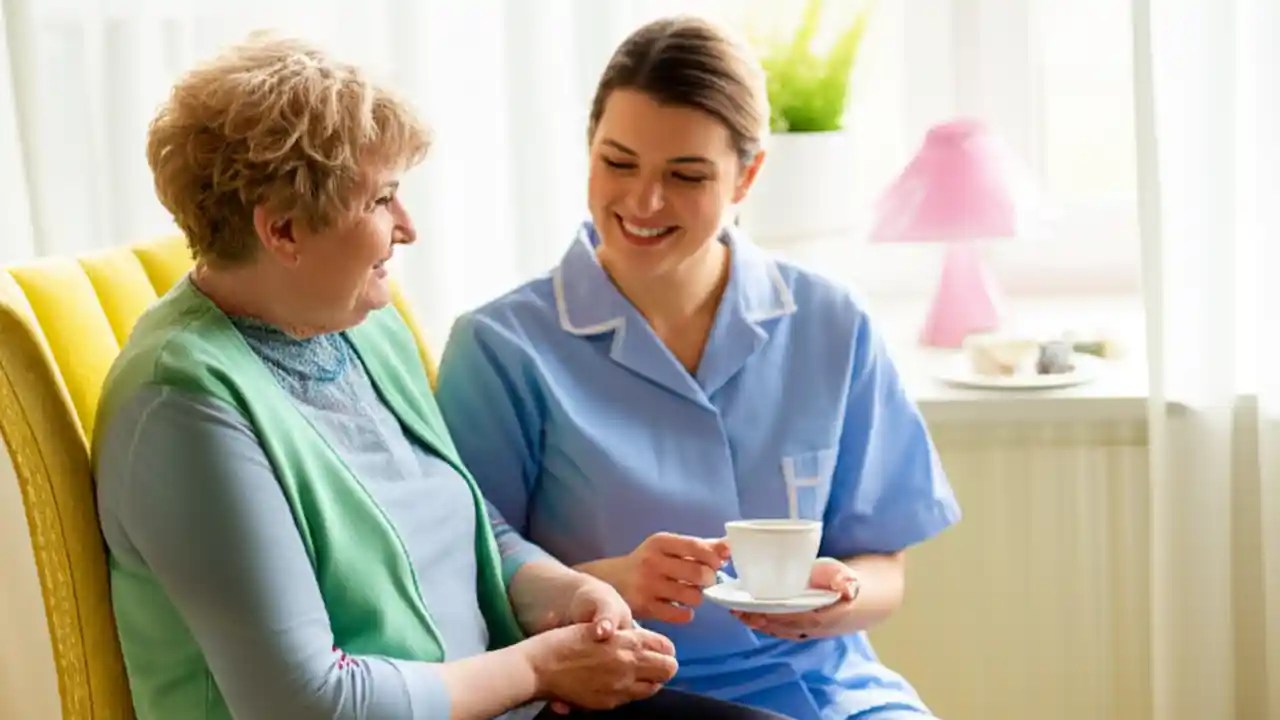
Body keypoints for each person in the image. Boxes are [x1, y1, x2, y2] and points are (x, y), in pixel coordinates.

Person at [92, 33, 787, 720]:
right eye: (380, 200)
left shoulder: (360, 320)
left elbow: (463, 516)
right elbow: (308, 705)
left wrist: (564, 594)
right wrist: (541, 667)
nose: (407, 226)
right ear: (282, 232)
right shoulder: (182, 407)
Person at [435, 15, 962, 720]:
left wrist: (837, 600)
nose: (643, 202)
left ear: (747, 176)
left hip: (835, 690)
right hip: (630, 695)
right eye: (617, 162)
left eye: (685, 175)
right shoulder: (503, 346)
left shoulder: (832, 323)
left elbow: (883, 565)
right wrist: (612, 582)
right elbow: (465, 576)